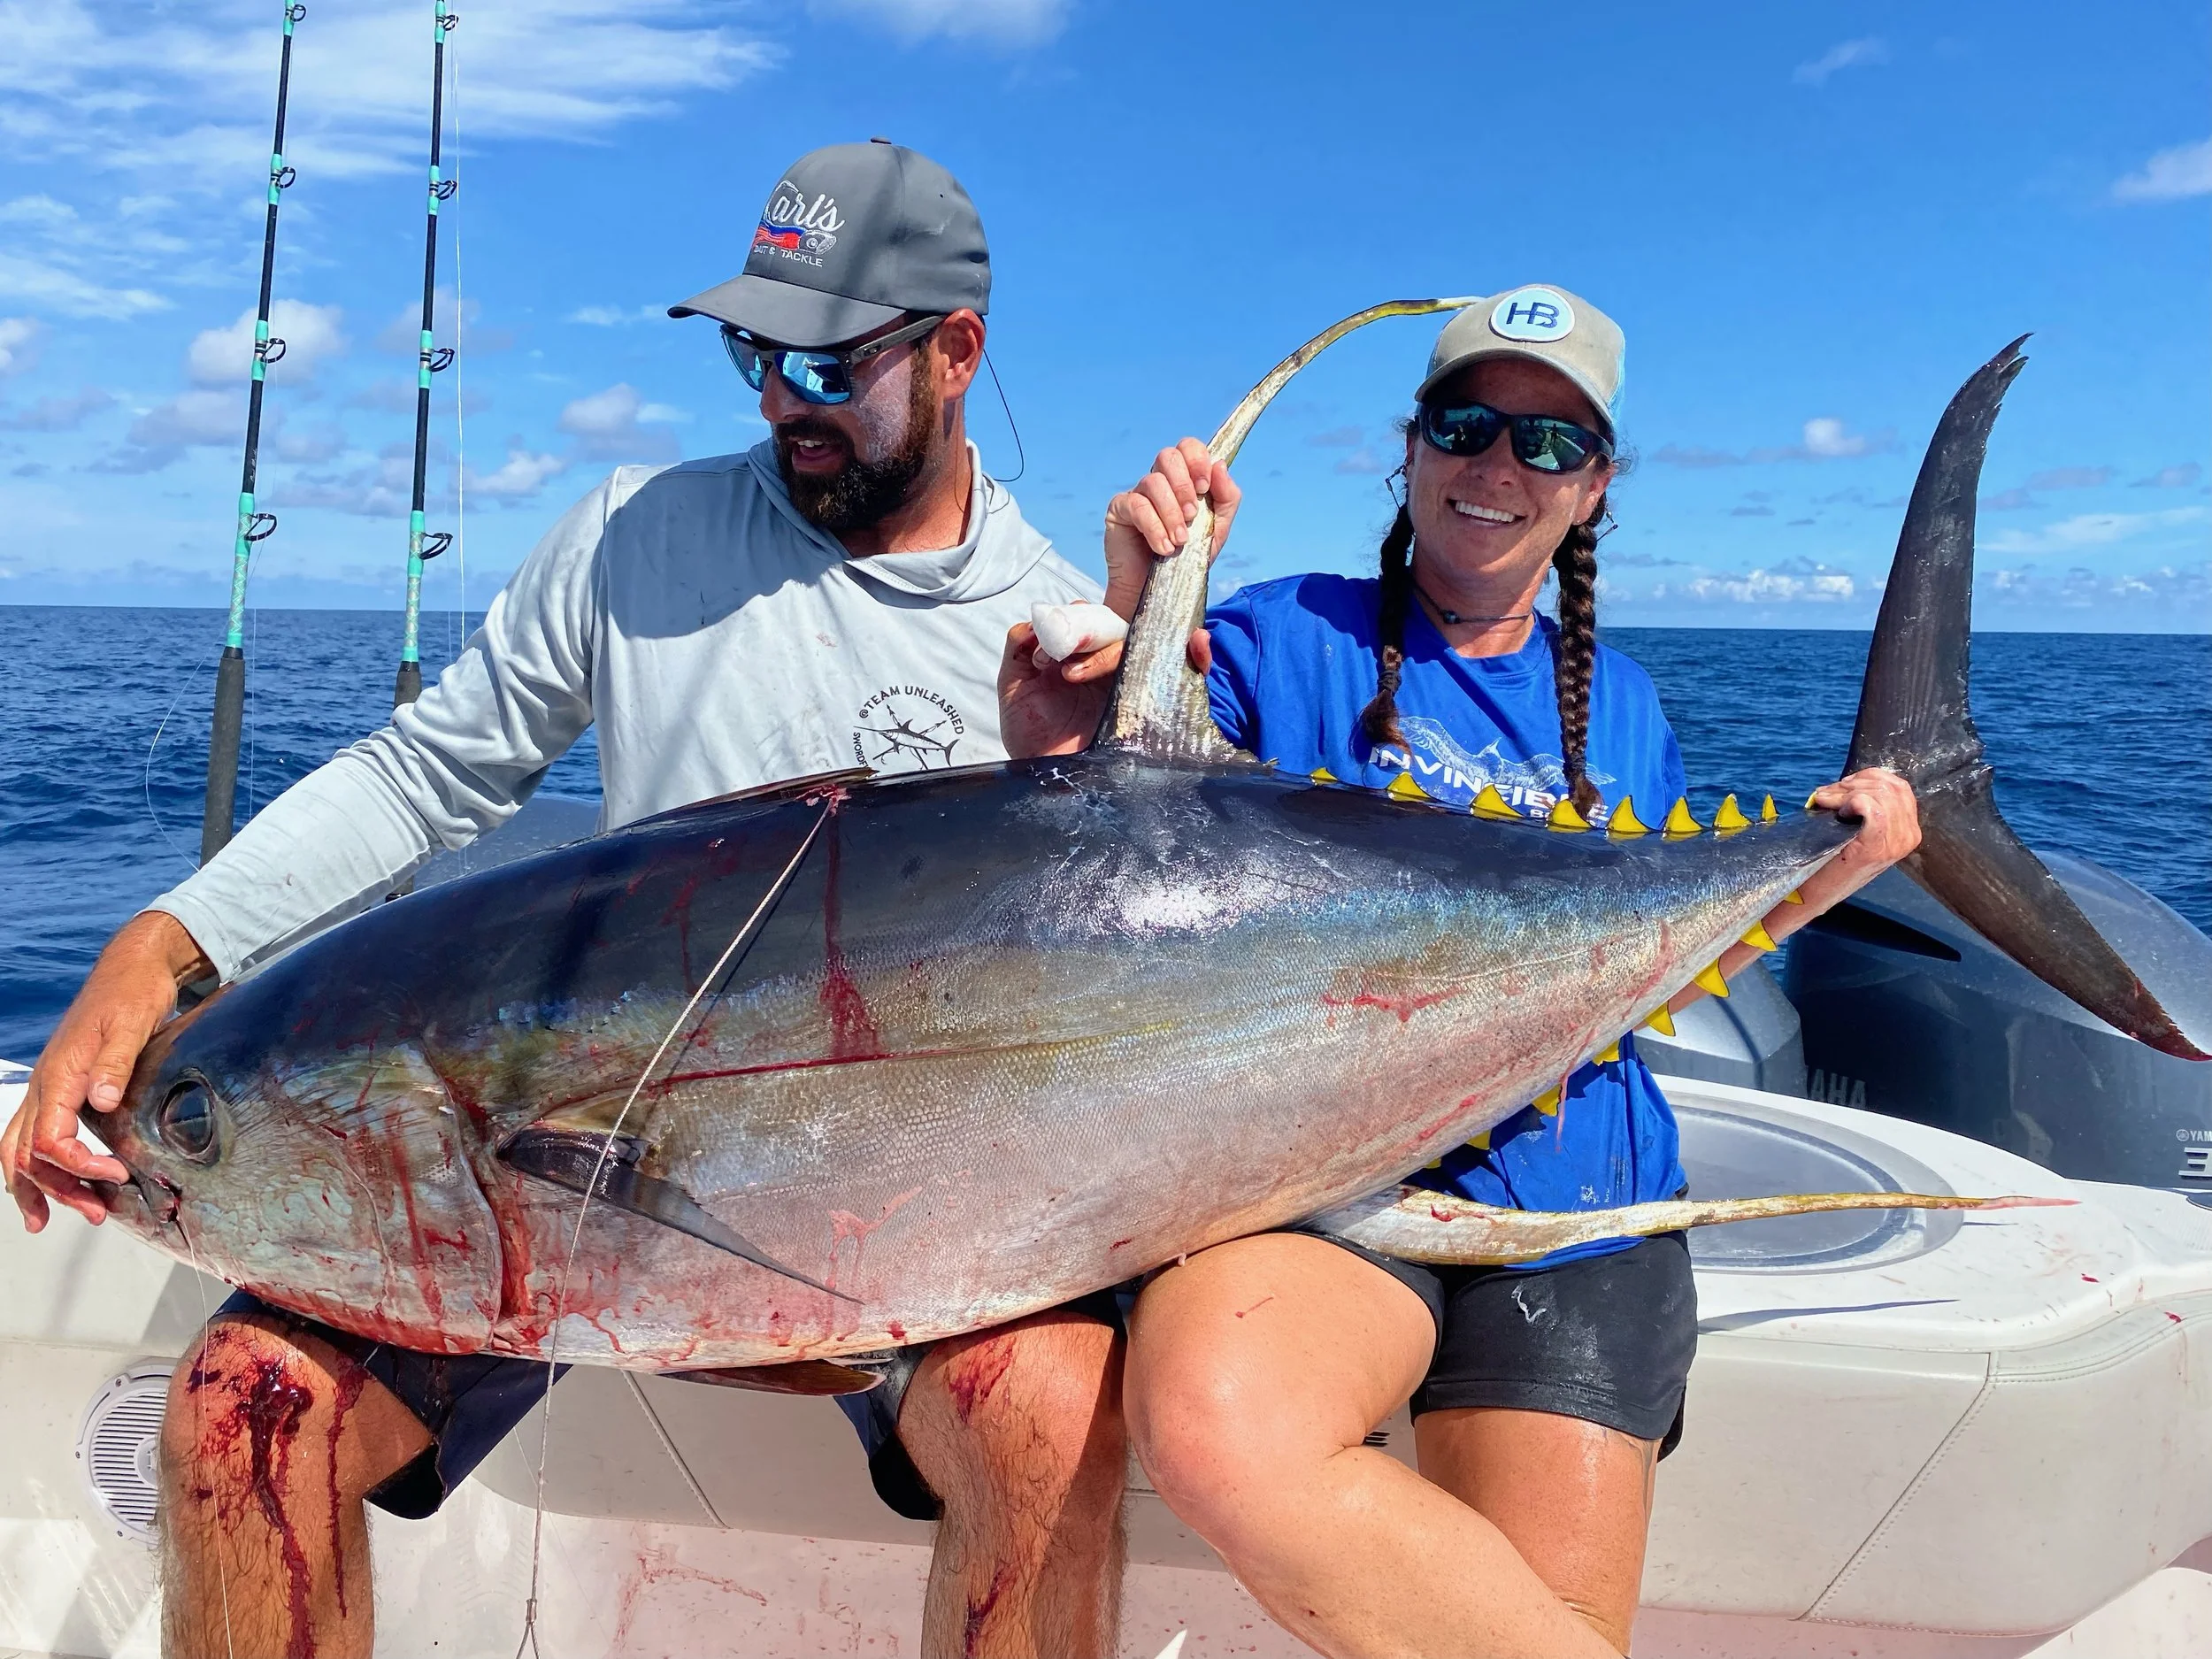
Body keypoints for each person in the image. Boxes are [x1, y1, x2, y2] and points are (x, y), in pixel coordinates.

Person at [4, 142, 1128, 1659]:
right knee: (238, 1419)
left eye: (825, 359)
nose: (782, 401)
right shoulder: (635, 537)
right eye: (753, 351)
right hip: (572, 1173)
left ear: (957, 351)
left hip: (887, 1204)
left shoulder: (1054, 635)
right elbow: (425, 776)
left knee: (1055, 1416)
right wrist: (166, 940)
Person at [1002, 285, 1923, 1657]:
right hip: (1319, 1188)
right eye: (1468, 423)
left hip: (1577, 1199)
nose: (1501, 465)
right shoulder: (1274, 637)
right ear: (1414, 444)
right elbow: (1125, 840)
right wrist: (1130, 619)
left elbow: (1647, 957)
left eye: (1551, 444)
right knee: (1216, 1419)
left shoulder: (1628, 709)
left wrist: (1831, 867)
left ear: (1596, 489)